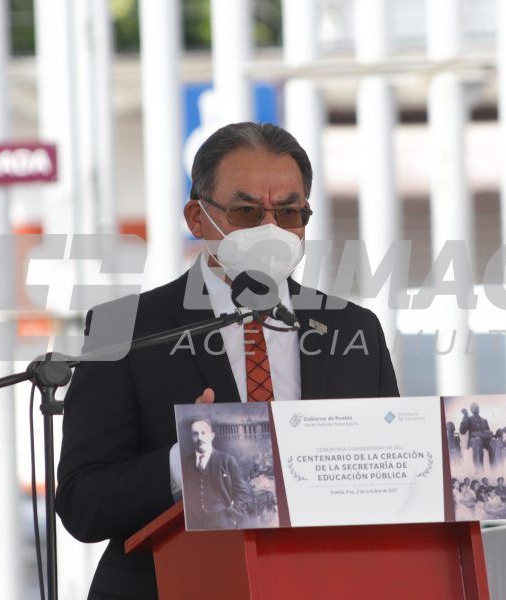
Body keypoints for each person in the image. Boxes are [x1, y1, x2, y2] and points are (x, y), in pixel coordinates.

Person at [55, 123, 400, 599]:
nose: (271, 229)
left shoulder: (352, 329)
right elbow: (83, 504)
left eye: (289, 211)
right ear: (197, 218)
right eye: (246, 211)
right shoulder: (123, 328)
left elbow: (393, 486)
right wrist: (185, 461)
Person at [181, 419, 253, 529]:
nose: (200, 437)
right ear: (191, 437)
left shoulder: (227, 461)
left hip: (223, 522)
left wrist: (233, 515)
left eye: (203, 433)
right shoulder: (185, 463)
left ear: (212, 436)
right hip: (194, 524)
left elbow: (243, 492)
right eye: (195, 434)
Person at [459, 402, 493, 471]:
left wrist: (488, 433)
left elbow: (488, 432)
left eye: (477, 406)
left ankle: (495, 468)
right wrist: (465, 415)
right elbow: (462, 431)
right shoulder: (468, 419)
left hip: (484, 440)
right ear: (471, 409)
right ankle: (479, 469)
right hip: (474, 441)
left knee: (494, 441)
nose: (476, 408)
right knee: (478, 440)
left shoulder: (484, 420)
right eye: (474, 407)